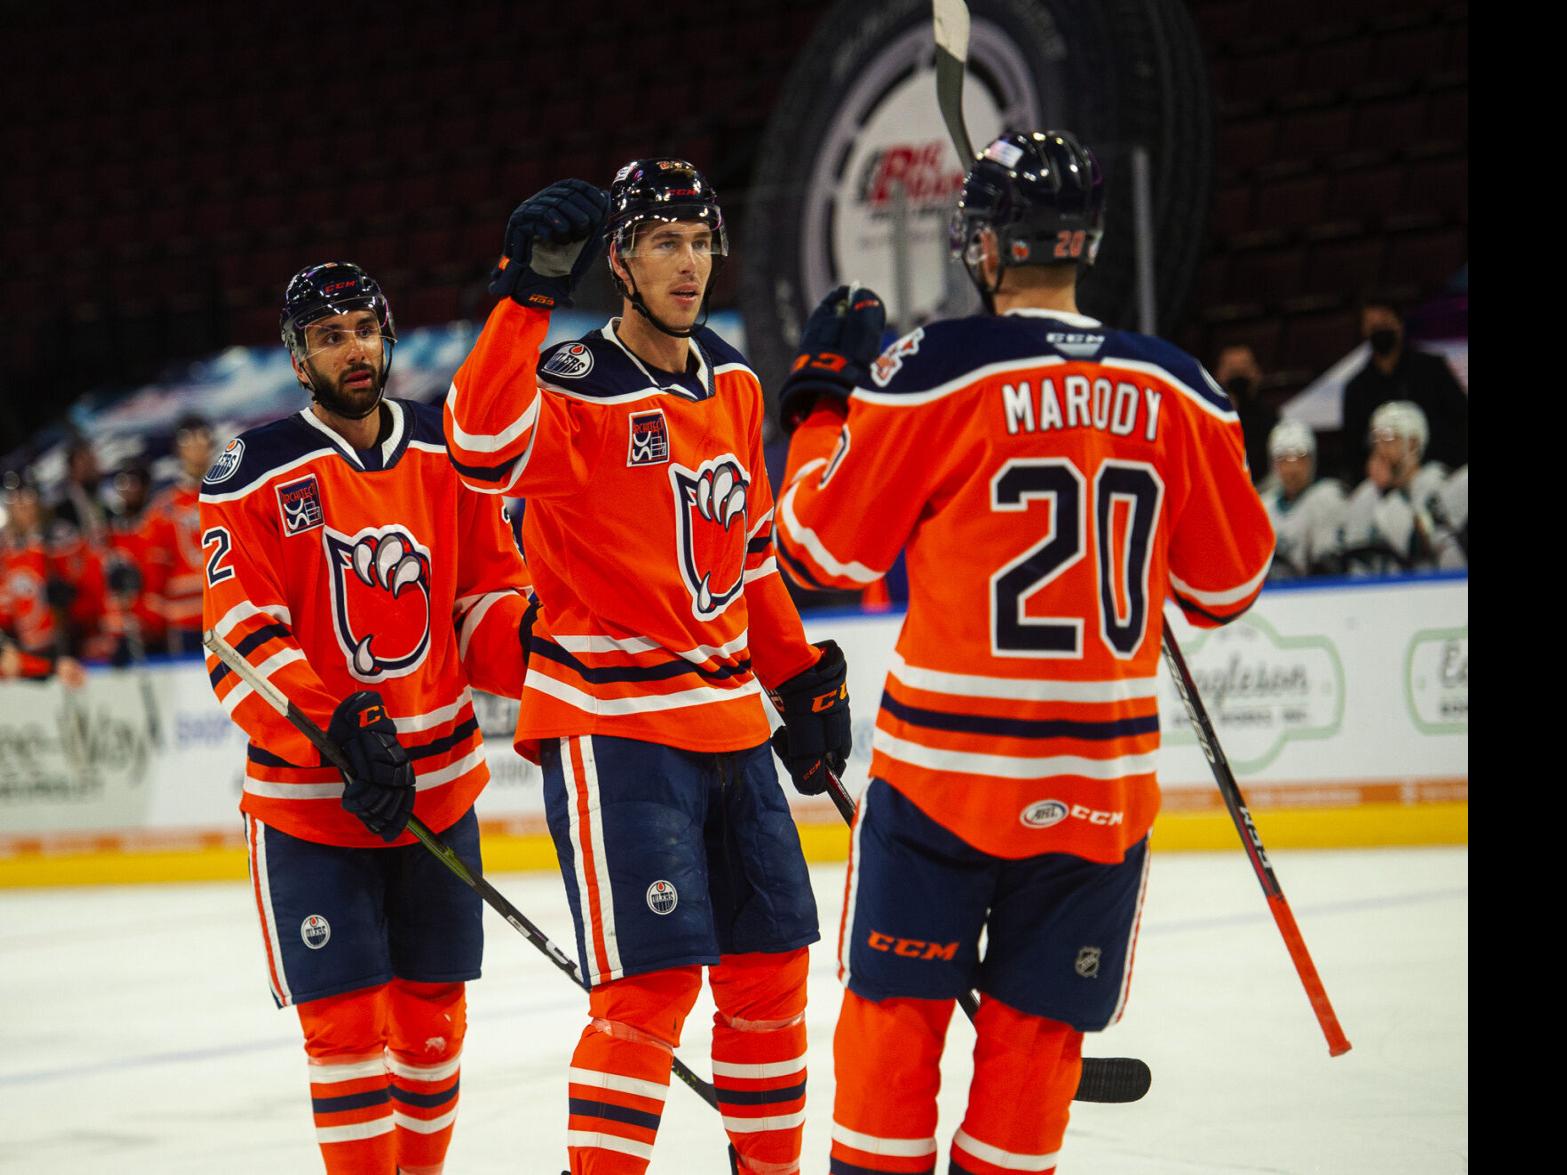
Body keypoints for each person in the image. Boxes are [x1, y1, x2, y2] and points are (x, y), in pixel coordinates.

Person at [773, 131, 1275, 1175]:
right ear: (1083, 241)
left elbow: (815, 547)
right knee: (1031, 1066)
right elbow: (1225, 587)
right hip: (1097, 790)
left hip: (944, 786)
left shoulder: (936, 368)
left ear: (985, 247)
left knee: (893, 1040)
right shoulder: (1179, 388)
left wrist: (825, 405)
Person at [443, 162, 850, 1175]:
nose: (689, 261)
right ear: (618, 259)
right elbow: (478, 446)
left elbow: (749, 552)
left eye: (701, 238)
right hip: (613, 729)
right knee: (649, 993)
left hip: (730, 724)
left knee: (769, 978)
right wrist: (523, 294)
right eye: (663, 240)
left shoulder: (737, 377)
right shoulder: (576, 385)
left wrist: (795, 674)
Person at [200, 262, 534, 1175]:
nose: (353, 348)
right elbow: (236, 638)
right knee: (346, 1029)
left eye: (363, 328)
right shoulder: (254, 469)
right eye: (329, 335)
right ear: (297, 356)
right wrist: (338, 724)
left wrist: (539, 641)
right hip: (315, 802)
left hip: (437, 789)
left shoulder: (447, 449)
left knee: (431, 1025)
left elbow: (485, 600)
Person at [1339, 298, 1467, 479]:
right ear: (1364, 331)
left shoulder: (1432, 368)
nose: (1379, 329)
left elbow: (1462, 421)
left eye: (1384, 322)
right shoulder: (1356, 388)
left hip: (1439, 474)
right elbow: (1353, 450)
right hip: (1385, 487)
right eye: (1373, 326)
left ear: (1399, 324)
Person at [1341, 400, 1462, 574]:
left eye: (1389, 438)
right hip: (1373, 595)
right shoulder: (1366, 494)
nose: (1380, 449)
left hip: (1433, 590)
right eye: (1376, 439)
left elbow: (1420, 545)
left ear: (1412, 443)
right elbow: (1353, 561)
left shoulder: (1435, 481)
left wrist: (1388, 494)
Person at [144, 413, 216, 654]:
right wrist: (161, 614)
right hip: (184, 622)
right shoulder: (163, 508)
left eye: (201, 438)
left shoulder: (232, 495)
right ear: (177, 448)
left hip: (229, 613)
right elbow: (154, 570)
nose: (196, 446)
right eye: (188, 440)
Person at [1260, 419, 1346, 580]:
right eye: (1283, 460)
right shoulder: (1263, 505)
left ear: (1312, 460)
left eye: (1300, 458)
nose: (1292, 469)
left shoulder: (1327, 497)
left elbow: (1327, 566)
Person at [1213, 343, 1276, 483]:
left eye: (1243, 370)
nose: (1238, 379)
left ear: (1257, 374)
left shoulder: (1272, 419)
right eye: (1232, 372)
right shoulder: (1207, 420)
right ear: (1217, 375)